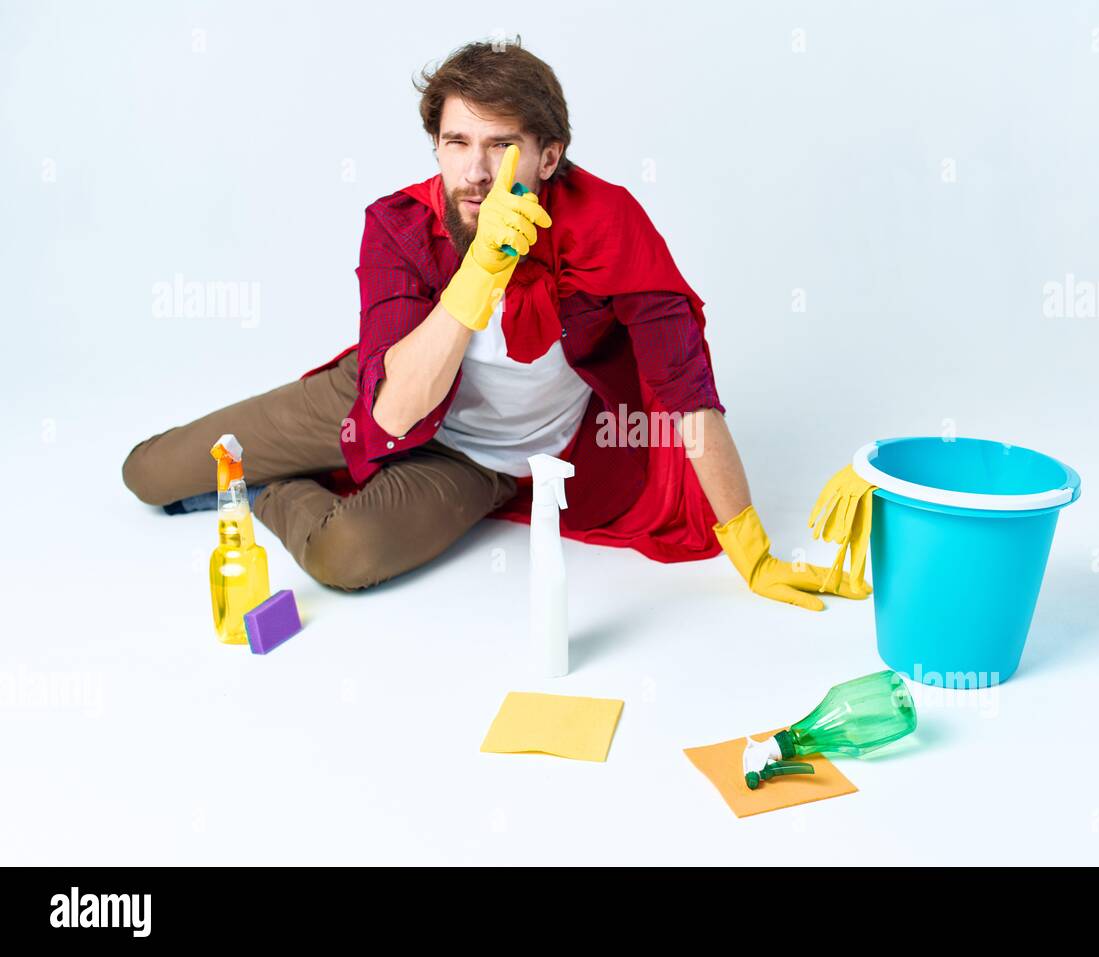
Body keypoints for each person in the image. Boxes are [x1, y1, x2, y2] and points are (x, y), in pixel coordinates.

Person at [121, 39, 863, 611]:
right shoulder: (400, 223)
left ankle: (272, 486)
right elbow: (393, 407)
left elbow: (686, 391)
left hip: (489, 460)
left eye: (502, 145)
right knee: (149, 474)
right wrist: (482, 273)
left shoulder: (608, 224)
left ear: (549, 154)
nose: (476, 171)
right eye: (456, 143)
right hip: (382, 394)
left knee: (346, 555)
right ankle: (295, 458)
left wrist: (752, 548)